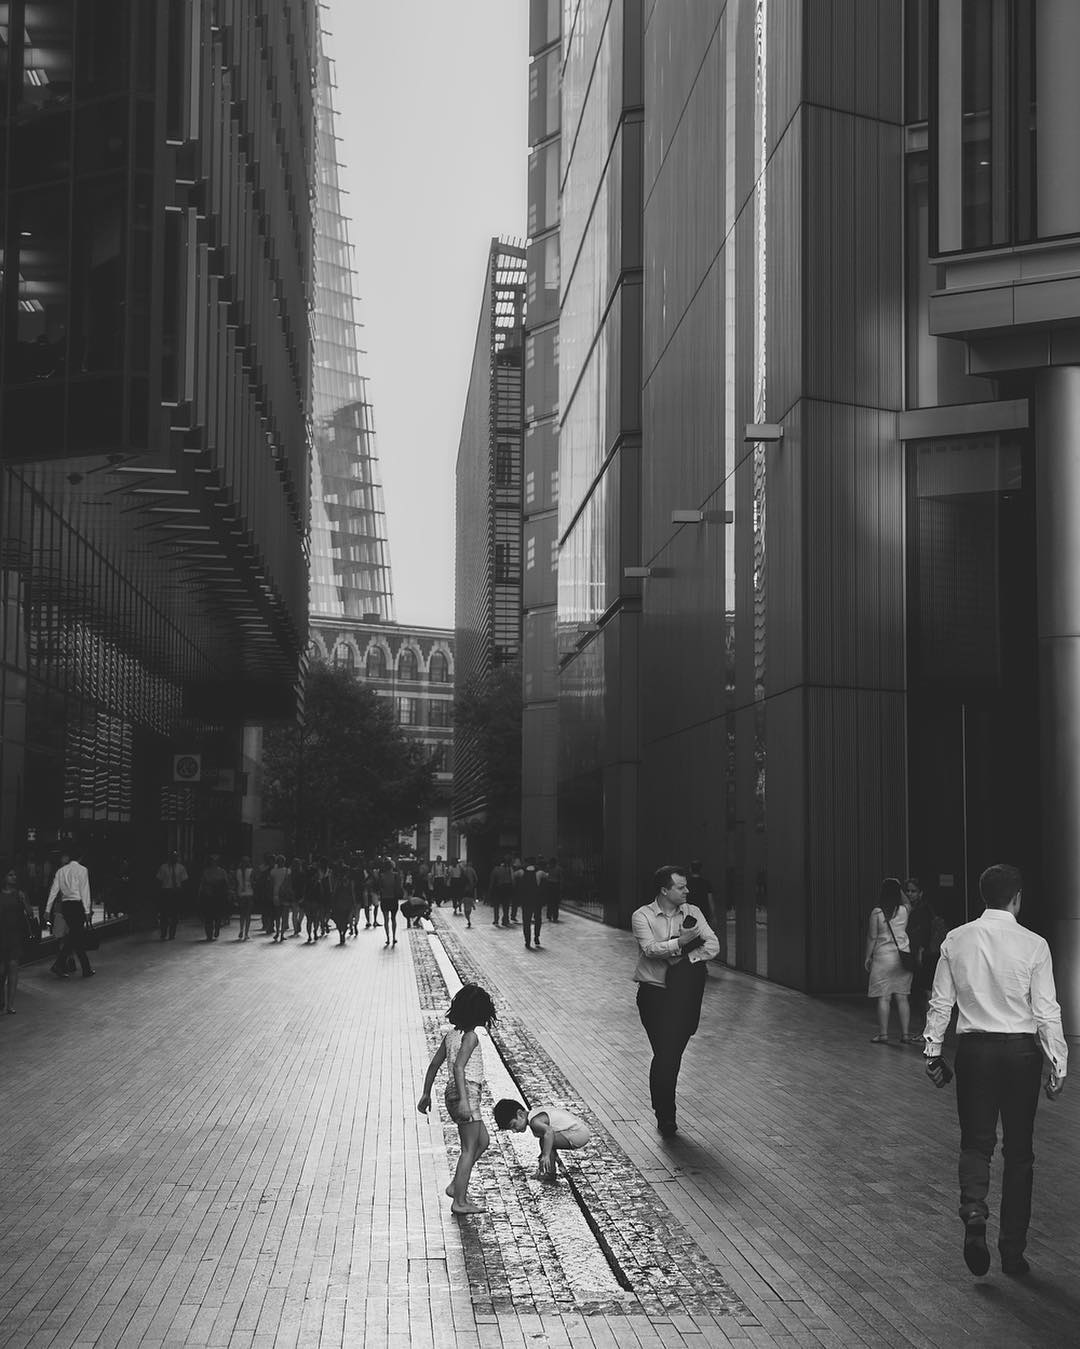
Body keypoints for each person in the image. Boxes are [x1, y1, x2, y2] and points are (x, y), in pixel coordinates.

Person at [924, 863, 1067, 1279]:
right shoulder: (1034, 945)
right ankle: (1013, 1253)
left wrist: (933, 1051)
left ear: (984, 896)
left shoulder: (957, 939)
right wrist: (1057, 1063)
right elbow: (1046, 1011)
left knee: (976, 1143)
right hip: (1021, 1054)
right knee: (1020, 1153)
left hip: (975, 1052)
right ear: (1017, 897)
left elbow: (940, 1003)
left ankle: (973, 1212)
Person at [632, 865, 719, 1137]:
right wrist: (681, 943)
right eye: (681, 887)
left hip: (685, 994)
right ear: (665, 890)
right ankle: (666, 1115)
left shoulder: (693, 912)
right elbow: (650, 949)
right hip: (654, 994)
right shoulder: (642, 916)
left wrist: (682, 959)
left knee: (671, 1055)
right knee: (666, 1054)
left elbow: (713, 945)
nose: (687, 890)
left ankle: (664, 1110)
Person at [417, 983, 497, 1215]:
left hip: (454, 1093)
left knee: (482, 1142)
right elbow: (459, 1067)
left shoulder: (450, 1036)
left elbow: (434, 1065)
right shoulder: (470, 1037)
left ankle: (455, 1185)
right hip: (466, 1094)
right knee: (468, 1149)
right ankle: (459, 1201)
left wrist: (425, 1093)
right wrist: (464, 1100)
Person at [864, 877, 916, 1044]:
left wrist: (868, 956)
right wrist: (898, 888)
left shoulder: (877, 913)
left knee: (884, 997)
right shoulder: (904, 910)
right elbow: (907, 900)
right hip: (902, 957)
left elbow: (872, 937)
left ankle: (884, 1034)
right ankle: (906, 1034)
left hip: (883, 957)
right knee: (902, 997)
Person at [493, 1098, 592, 1180]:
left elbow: (549, 1132)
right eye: (511, 1129)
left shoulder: (534, 1122)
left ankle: (549, 1173)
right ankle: (549, 1170)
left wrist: (545, 1155)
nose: (514, 1131)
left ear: (521, 1114)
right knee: (546, 1143)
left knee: (545, 1141)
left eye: (513, 1125)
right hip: (579, 1131)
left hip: (578, 1134)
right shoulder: (534, 1114)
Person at [45, 845, 95, 979]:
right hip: (77, 905)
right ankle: (62, 964)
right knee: (75, 935)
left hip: (66, 906)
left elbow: (54, 891)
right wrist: (87, 909)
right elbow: (85, 890)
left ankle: (85, 968)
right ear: (80, 856)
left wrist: (47, 909)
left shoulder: (61, 871)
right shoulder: (82, 870)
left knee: (75, 935)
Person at [0, 867, 35, 1013]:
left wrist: (24, 901)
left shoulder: (20, 894)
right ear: (4, 878)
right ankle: (1, 1001)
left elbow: (30, 913)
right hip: (1, 936)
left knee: (13, 968)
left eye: (15, 875)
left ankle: (10, 1005)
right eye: (10, 875)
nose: (14, 877)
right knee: (1, 971)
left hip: (15, 936)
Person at [155, 850, 187, 941]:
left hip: (176, 892)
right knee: (164, 914)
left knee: (174, 914)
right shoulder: (163, 867)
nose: (174, 858)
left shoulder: (181, 868)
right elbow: (159, 880)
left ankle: (172, 933)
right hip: (166, 891)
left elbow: (184, 881)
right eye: (173, 856)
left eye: (176, 856)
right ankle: (163, 933)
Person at [197, 855, 229, 941]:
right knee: (208, 916)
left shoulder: (222, 871)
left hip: (218, 896)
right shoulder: (206, 871)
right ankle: (209, 934)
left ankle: (217, 928)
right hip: (208, 896)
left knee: (217, 915)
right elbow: (202, 883)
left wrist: (225, 893)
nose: (214, 862)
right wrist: (200, 893)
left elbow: (225, 884)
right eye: (212, 861)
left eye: (215, 861)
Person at [520, 858, 546, 950]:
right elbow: (547, 877)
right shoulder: (540, 872)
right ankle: (536, 937)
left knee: (526, 921)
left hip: (526, 900)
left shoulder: (521, 872)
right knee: (537, 919)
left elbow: (513, 877)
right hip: (536, 900)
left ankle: (527, 940)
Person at [378, 857, 403, 946]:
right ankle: (394, 937)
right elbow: (399, 886)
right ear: (392, 866)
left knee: (386, 919)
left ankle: (387, 938)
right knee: (393, 919)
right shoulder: (396, 875)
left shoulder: (381, 876)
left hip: (384, 899)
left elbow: (380, 888)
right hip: (393, 899)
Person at [686, 860, 715, 926]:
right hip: (704, 913)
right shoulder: (706, 883)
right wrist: (713, 915)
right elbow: (710, 901)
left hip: (690, 914)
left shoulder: (686, 884)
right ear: (701, 870)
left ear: (690, 869)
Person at [488, 857, 514, 927]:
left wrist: (490, 890)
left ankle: (496, 920)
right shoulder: (509, 869)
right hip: (507, 888)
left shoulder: (495, 869)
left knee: (496, 905)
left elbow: (492, 880)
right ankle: (505, 920)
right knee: (506, 906)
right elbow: (512, 880)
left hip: (498, 888)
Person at [234, 856, 255, 940]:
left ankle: (241, 929)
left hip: (240, 892)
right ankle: (246, 933)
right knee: (248, 914)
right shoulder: (251, 871)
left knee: (242, 914)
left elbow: (236, 882)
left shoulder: (237, 871)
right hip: (249, 892)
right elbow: (253, 882)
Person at [461, 860, 478, 929]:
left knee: (466, 897)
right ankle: (471, 904)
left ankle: (468, 919)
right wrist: (474, 884)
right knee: (470, 898)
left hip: (466, 886)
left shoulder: (465, 870)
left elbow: (462, 878)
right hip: (471, 886)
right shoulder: (473, 870)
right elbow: (476, 878)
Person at [544, 857, 562, 923]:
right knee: (555, 903)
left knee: (550, 902)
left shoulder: (548, 868)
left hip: (550, 885)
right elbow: (560, 878)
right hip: (555, 885)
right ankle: (554, 916)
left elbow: (546, 877)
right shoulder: (558, 868)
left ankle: (550, 915)